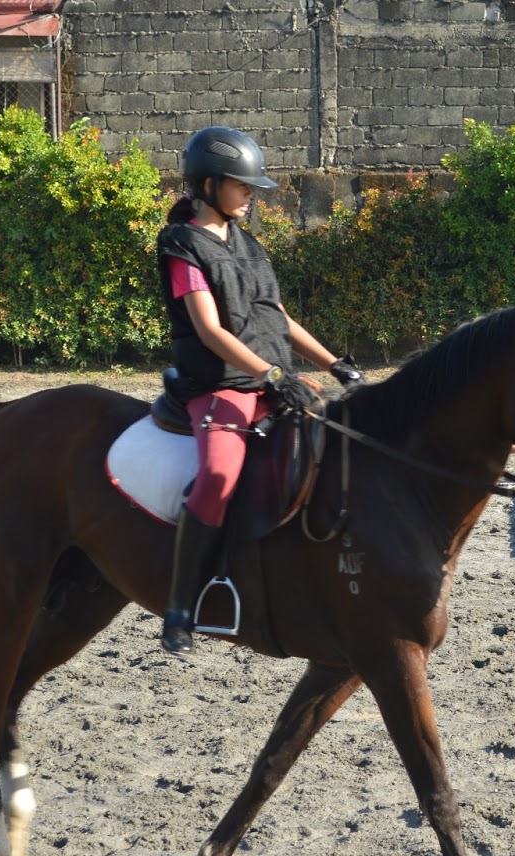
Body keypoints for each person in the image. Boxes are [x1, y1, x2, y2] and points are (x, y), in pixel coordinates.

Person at [156, 125, 363, 655]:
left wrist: (335, 363)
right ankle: (180, 608)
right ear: (208, 185)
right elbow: (209, 332)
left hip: (273, 383)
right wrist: (273, 376)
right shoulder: (183, 248)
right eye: (242, 186)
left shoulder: (247, 243)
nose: (252, 195)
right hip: (218, 387)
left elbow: (280, 319)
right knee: (219, 477)